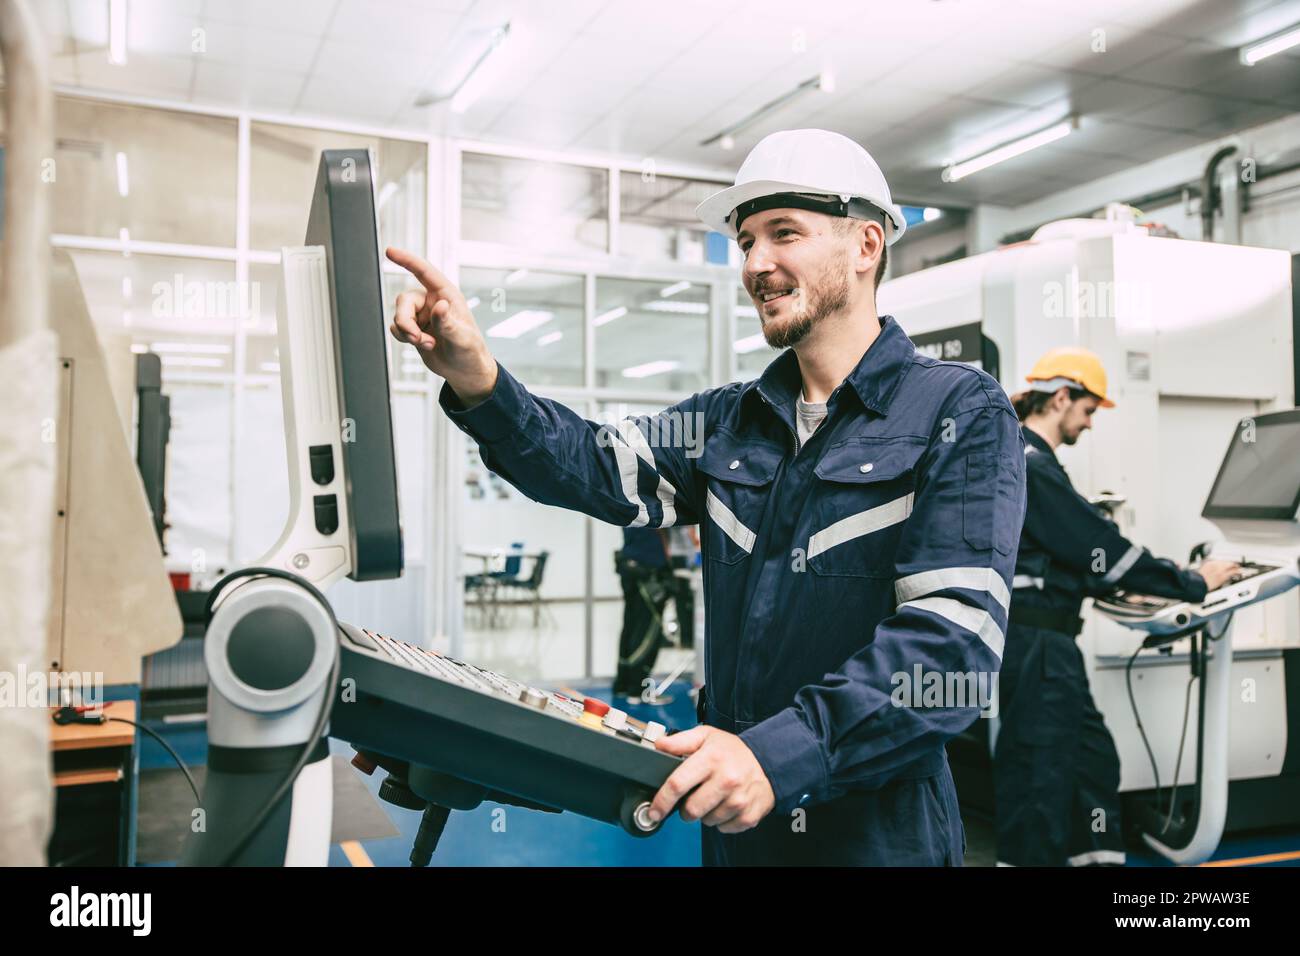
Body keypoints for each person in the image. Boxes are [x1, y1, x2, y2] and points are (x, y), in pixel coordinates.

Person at [387, 128, 1026, 866]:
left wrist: (780, 755)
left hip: (872, 835)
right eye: (746, 239)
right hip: (734, 827)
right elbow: (590, 464)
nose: (757, 263)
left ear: (866, 246)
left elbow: (952, 650)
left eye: (784, 233)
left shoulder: (959, 411)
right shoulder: (727, 421)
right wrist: (478, 379)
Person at [995, 347, 1241, 867]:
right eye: (1086, 411)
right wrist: (1193, 581)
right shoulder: (1032, 464)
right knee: (1040, 777)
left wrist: (1106, 586)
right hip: (1039, 645)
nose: (1087, 424)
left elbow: (1062, 552)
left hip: (1045, 640)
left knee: (1090, 760)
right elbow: (1092, 541)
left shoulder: (1022, 455)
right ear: (1061, 397)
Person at [613, 527, 675, 704]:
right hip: (648, 571)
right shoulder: (653, 507)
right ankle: (637, 689)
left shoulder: (632, 503)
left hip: (631, 565)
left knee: (631, 627)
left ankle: (623, 684)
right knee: (647, 630)